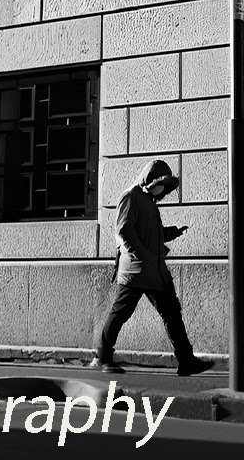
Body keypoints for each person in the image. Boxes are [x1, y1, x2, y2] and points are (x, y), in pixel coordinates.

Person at [91, 159, 215, 377]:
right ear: (149, 179)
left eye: (165, 186)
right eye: (160, 183)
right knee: (121, 312)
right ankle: (102, 357)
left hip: (155, 271)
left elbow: (148, 233)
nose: (162, 190)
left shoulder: (148, 201)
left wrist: (170, 233)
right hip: (136, 272)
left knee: (172, 312)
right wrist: (141, 254)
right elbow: (124, 230)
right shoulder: (131, 196)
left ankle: (186, 360)